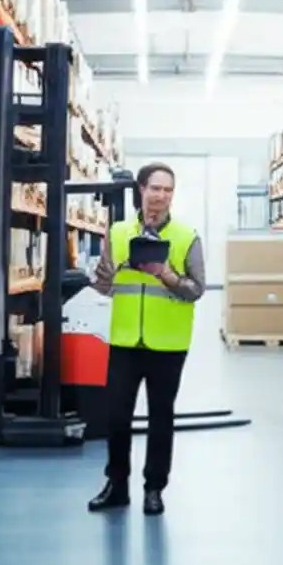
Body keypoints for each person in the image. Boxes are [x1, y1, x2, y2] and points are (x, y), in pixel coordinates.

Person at [87, 162, 206, 516]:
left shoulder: (187, 236)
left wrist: (166, 274)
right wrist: (108, 274)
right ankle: (117, 485)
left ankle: (154, 488)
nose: (161, 196)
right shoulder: (118, 232)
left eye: (168, 190)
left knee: (160, 418)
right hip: (124, 340)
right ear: (141, 189)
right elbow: (104, 286)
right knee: (117, 417)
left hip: (167, 344)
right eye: (156, 188)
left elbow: (196, 289)